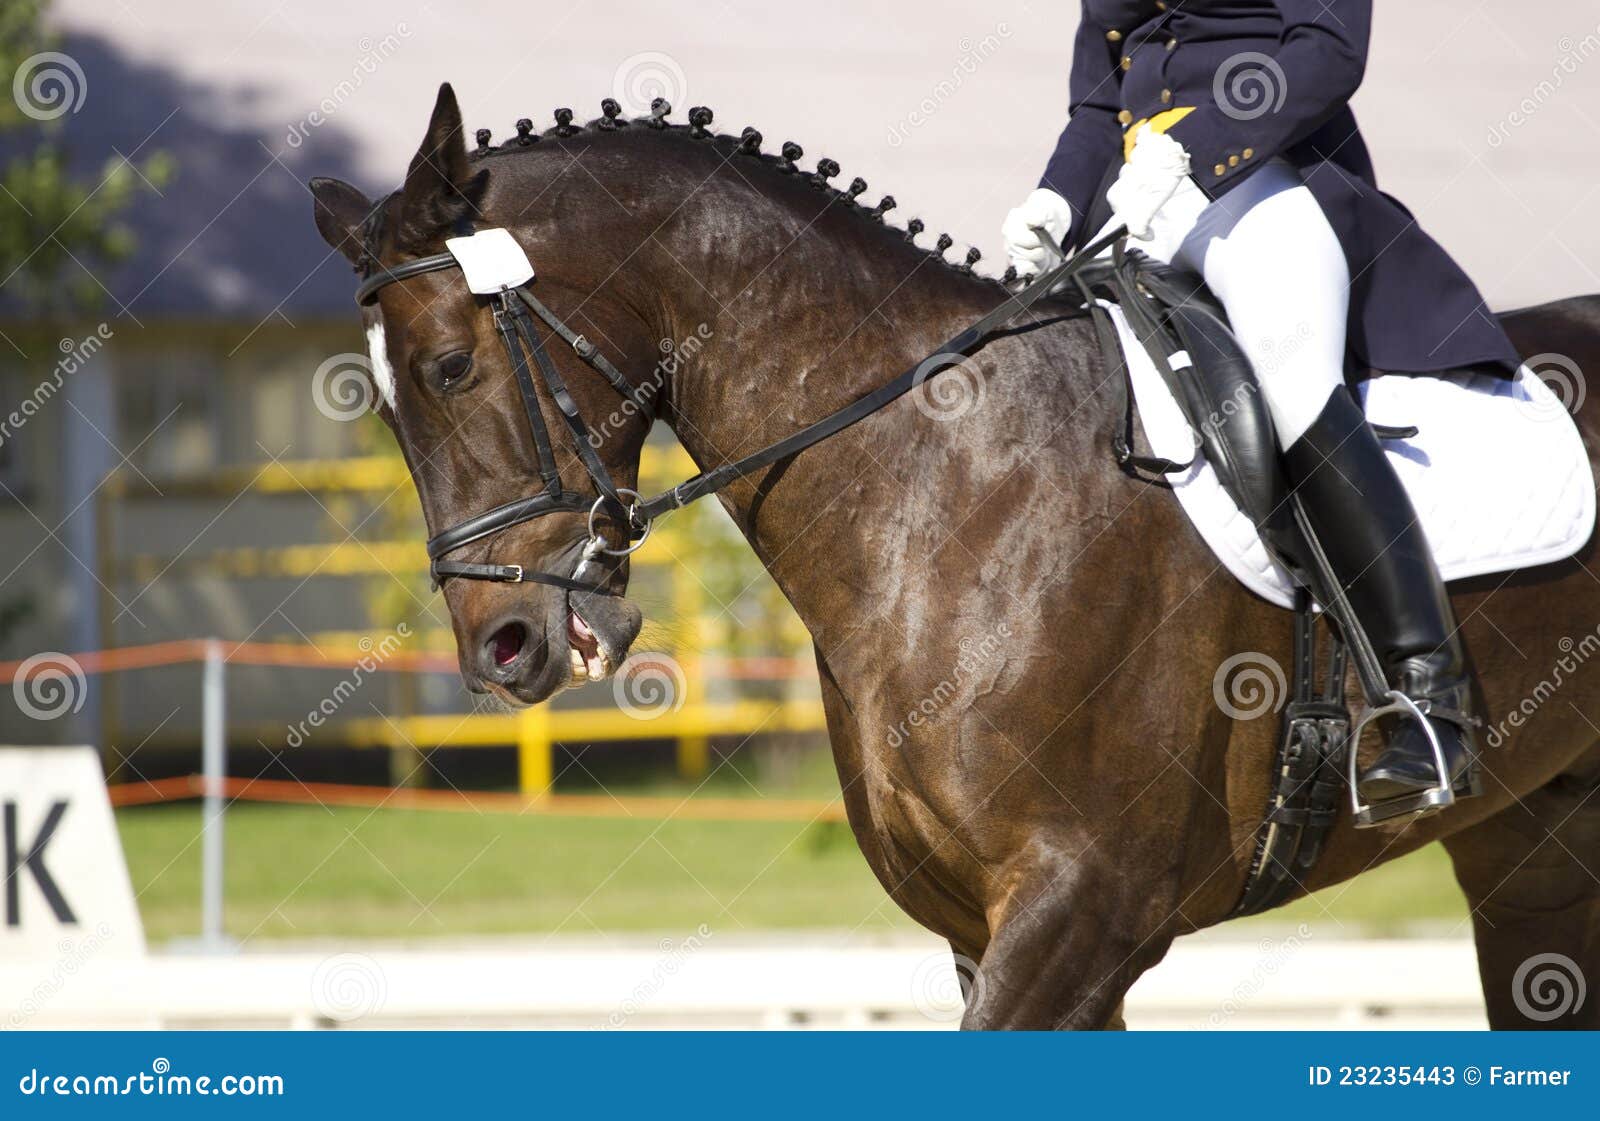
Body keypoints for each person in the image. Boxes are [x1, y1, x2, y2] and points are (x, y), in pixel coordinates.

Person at [1002, 0, 1523, 822]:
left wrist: (1195, 149)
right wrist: (1060, 197)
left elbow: (1328, 50)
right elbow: (1100, 103)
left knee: (1290, 385)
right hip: (1137, 205)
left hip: (1262, 180)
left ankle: (1431, 701)